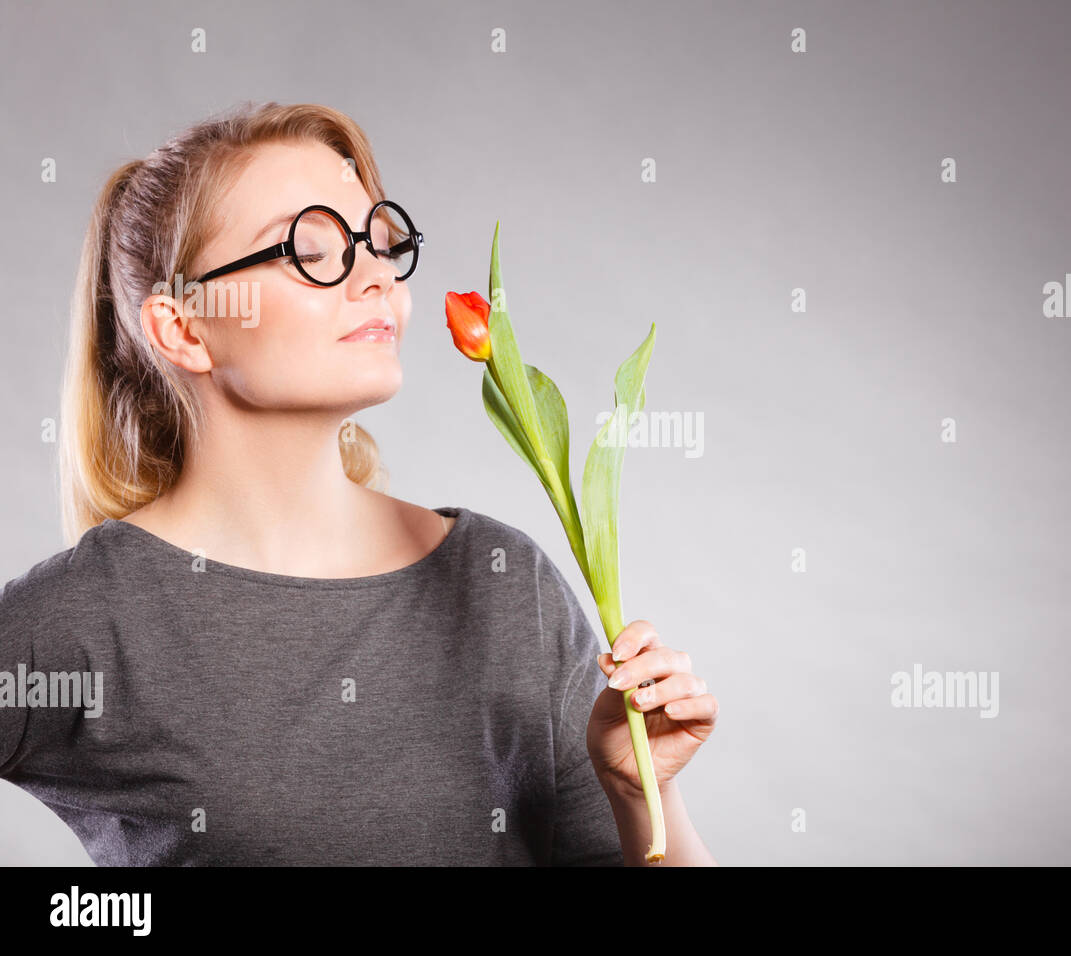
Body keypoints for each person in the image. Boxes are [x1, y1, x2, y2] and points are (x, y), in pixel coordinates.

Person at [0, 101, 718, 865]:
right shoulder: (91, 618)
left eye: (379, 242)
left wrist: (644, 799)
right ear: (184, 328)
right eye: (312, 250)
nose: (375, 275)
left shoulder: (505, 585)